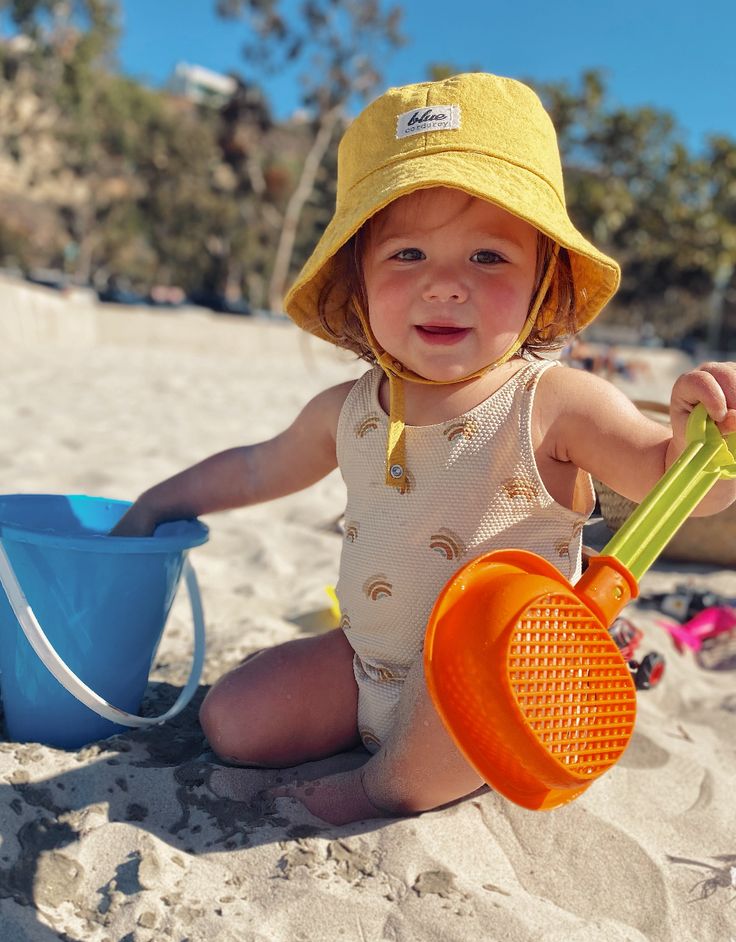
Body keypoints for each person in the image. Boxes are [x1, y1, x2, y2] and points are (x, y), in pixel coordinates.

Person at [112, 72, 736, 825]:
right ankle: (377, 741)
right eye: (406, 255)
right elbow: (257, 464)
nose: (445, 285)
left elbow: (679, 485)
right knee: (235, 719)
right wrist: (160, 502)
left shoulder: (555, 403)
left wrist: (708, 438)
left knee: (450, 700)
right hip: (365, 664)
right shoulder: (352, 410)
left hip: (494, 695)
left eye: (488, 258)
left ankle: (383, 785)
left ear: (544, 279)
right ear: (358, 282)